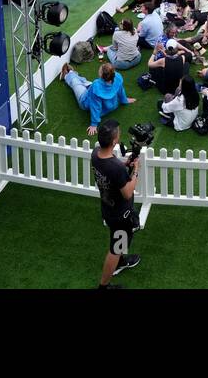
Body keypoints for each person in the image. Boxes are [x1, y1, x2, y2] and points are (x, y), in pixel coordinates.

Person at [90, 119, 142, 288]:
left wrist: (125, 163)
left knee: (119, 242)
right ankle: (104, 285)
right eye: (117, 133)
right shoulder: (115, 168)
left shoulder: (96, 153)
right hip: (121, 214)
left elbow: (111, 167)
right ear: (114, 141)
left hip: (108, 207)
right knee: (116, 248)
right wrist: (135, 171)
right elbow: (127, 193)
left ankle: (121, 262)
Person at [65, 62, 133, 136]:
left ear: (101, 75)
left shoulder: (96, 85)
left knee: (76, 84)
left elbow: (95, 106)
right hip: (110, 104)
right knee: (87, 83)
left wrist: (94, 124)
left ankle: (68, 73)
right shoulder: (117, 77)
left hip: (85, 101)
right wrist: (124, 100)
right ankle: (76, 75)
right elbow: (121, 90)